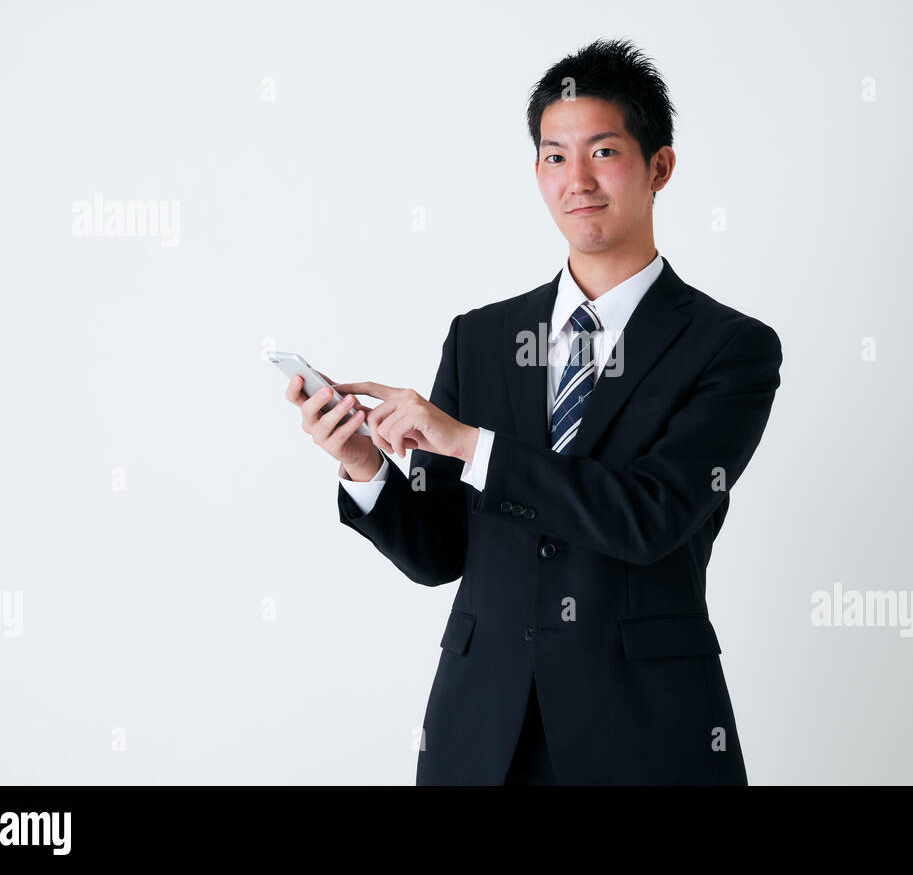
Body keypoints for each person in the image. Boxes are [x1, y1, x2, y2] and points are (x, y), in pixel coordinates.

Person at [286, 38, 782, 785]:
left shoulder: (729, 347)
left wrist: (472, 444)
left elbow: (649, 518)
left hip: (647, 732)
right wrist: (363, 464)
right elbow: (438, 552)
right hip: (483, 732)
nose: (576, 179)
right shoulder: (481, 338)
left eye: (603, 151)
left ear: (660, 168)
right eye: (554, 156)